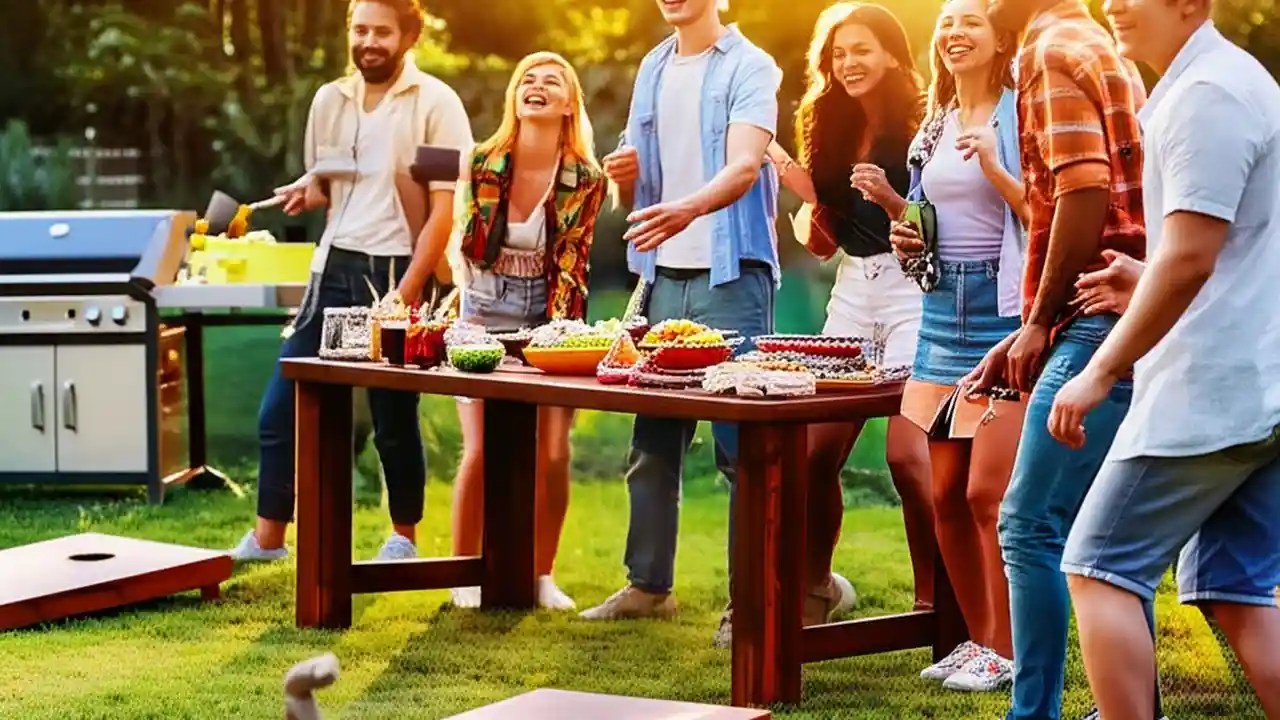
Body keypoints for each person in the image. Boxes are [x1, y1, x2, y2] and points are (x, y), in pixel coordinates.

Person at [1050, 0, 1280, 717]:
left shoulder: (1209, 94)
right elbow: (1224, 247)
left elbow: (1189, 259)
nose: (1114, 4)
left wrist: (1099, 371)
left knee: (1098, 567)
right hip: (1253, 386)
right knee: (1233, 588)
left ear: (1191, 3)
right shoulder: (1216, 83)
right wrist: (1140, 281)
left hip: (1211, 391)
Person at [229, 0, 473, 562]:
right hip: (333, 267)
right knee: (279, 409)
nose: (369, 41)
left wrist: (407, 294)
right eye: (360, 30)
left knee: (392, 416)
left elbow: (442, 211)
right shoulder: (329, 101)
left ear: (407, 36)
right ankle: (269, 541)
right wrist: (306, 190)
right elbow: (335, 182)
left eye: (381, 32)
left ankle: (402, 539)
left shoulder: (435, 104)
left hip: (395, 269)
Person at [577, 0, 783, 642]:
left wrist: (685, 212)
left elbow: (746, 166)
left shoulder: (754, 65)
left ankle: (749, 603)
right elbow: (638, 186)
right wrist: (626, 178)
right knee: (653, 444)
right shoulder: (654, 66)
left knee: (740, 450)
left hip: (731, 275)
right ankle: (648, 587)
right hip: (663, 274)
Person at [971, 0, 1147, 716]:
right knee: (1104, 541)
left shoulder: (1048, 51)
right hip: (1118, 308)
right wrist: (1023, 332)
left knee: (1031, 520)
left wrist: (1041, 320)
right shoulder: (1095, 42)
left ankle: (1032, 712)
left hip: (1093, 317)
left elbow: (1084, 188)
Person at [766, 0, 934, 629]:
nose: (848, 63)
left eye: (861, 49)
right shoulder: (827, 121)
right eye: (838, 53)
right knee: (815, 451)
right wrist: (788, 172)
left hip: (914, 291)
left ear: (892, 53)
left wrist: (892, 201)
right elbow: (831, 228)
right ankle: (816, 591)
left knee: (909, 458)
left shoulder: (923, 124)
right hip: (852, 292)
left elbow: (937, 233)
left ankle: (933, 605)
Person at [890, 0, 1027, 692]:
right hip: (943, 314)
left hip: (1004, 316)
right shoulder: (935, 125)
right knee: (943, 491)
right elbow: (928, 219)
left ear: (1002, 39)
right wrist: (908, 237)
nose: (953, 32)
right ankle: (979, 642)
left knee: (987, 495)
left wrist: (999, 169)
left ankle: (1008, 650)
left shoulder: (1021, 112)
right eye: (946, 22)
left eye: (970, 20)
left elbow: (1044, 212)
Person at [446, 51, 608, 611]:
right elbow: (466, 246)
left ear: (568, 105)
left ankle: (541, 575)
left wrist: (562, 336)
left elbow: (574, 260)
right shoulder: (483, 161)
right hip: (482, 308)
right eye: (528, 81)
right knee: (482, 449)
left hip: (549, 311)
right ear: (516, 96)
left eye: (551, 83)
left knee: (554, 452)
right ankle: (463, 574)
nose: (536, 88)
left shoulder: (586, 178)